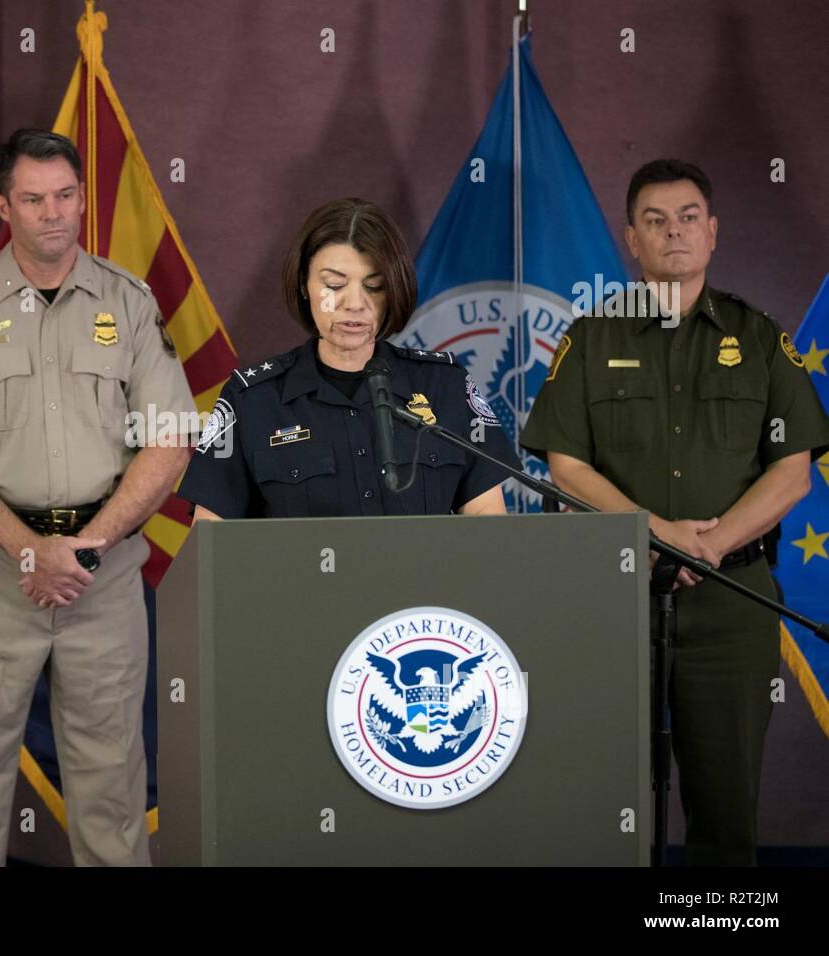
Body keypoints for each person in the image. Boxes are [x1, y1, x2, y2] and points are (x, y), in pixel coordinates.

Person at [0, 129, 195, 866]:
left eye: (65, 195)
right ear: (4, 205)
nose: (53, 213)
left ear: (84, 198)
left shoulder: (129, 302)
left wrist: (87, 545)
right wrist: (28, 548)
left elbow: (171, 439)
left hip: (104, 568)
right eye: (32, 199)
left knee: (115, 784)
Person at [520, 159, 829, 865]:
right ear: (632, 239)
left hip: (731, 602)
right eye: (655, 221)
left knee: (725, 820)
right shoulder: (591, 341)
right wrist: (655, 532)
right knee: (602, 809)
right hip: (614, 596)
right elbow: (564, 465)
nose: (674, 232)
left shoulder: (758, 339)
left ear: (713, 232)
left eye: (689, 217)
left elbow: (793, 470)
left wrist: (711, 546)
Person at [178, 198, 517, 520]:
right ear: (303, 286)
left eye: (374, 286)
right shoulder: (251, 400)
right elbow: (210, 542)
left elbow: (488, 524)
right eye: (334, 285)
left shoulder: (445, 385)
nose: (355, 303)